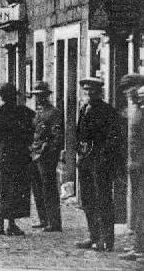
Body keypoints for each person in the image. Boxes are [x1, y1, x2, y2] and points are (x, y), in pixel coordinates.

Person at [76, 76, 124, 252]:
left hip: (101, 162)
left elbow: (114, 138)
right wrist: (79, 154)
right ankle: (93, 236)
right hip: (86, 161)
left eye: (93, 91)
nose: (89, 93)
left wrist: (103, 157)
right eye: (87, 90)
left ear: (100, 92)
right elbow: (79, 133)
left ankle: (106, 240)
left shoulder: (108, 111)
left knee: (103, 200)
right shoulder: (83, 109)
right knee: (88, 200)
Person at [0, 82, 35, 236]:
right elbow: (31, 132)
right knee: (16, 189)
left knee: (2, 189)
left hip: (4, 155)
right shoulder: (24, 112)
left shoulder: (1, 112)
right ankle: (12, 224)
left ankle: (0, 223)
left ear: (2, 97)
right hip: (19, 156)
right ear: (15, 96)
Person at [28, 81, 63, 232]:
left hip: (46, 156)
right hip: (34, 154)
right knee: (37, 188)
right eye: (36, 96)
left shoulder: (54, 113)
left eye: (41, 96)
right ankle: (43, 219)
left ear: (46, 96)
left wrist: (47, 151)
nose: (38, 99)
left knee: (49, 188)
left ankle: (54, 222)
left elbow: (56, 137)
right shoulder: (38, 113)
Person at [120, 74, 144, 261]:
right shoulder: (135, 108)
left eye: (131, 89)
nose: (128, 94)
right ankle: (138, 246)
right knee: (137, 208)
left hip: (141, 165)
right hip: (135, 166)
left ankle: (140, 248)